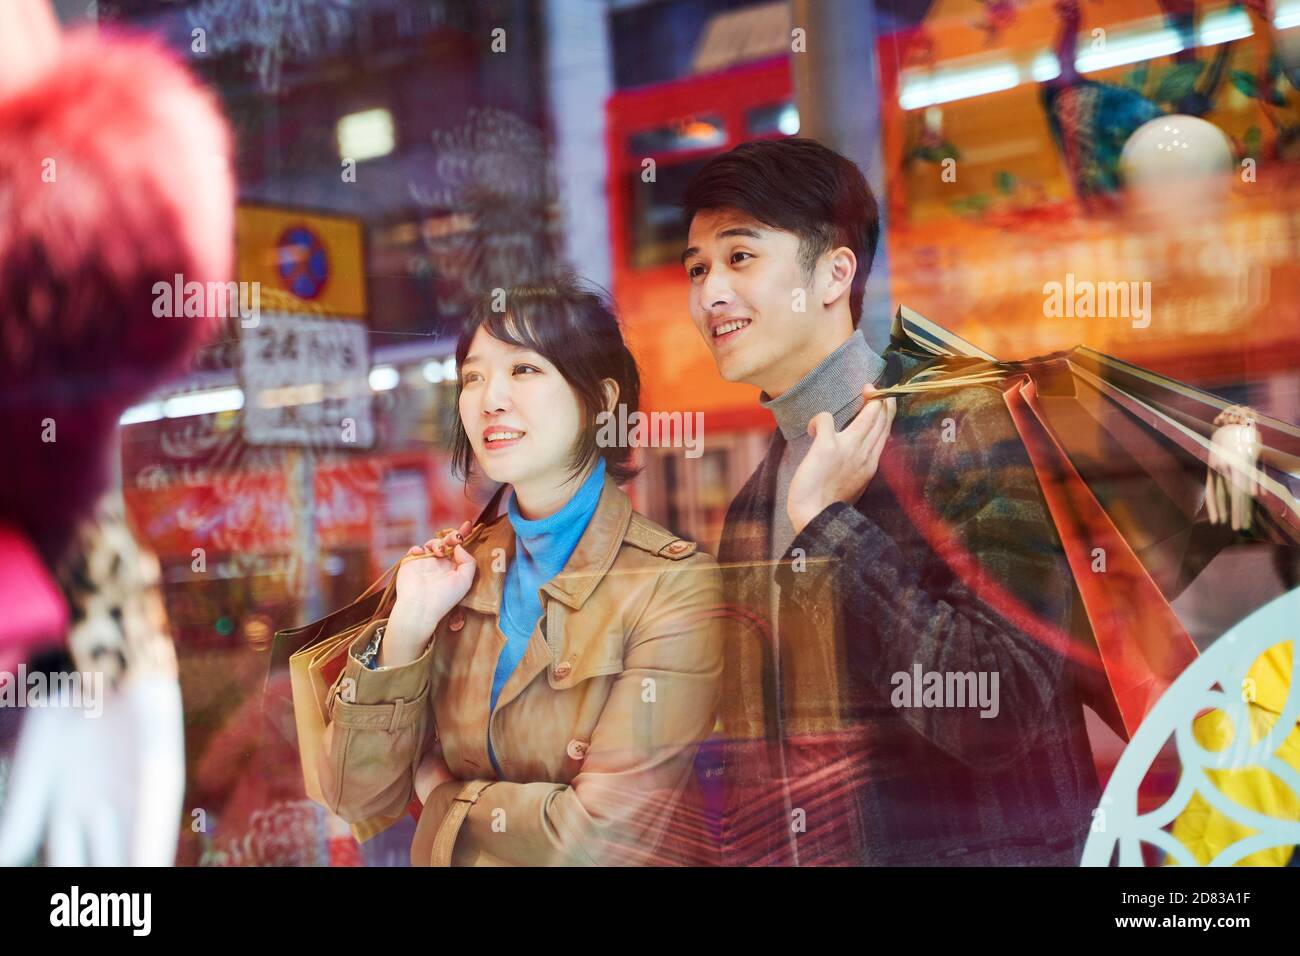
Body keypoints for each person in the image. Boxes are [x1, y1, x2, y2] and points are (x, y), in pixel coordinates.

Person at [680, 138, 1101, 865]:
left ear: (834, 273)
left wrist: (831, 528)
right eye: (697, 268)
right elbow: (765, 763)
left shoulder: (963, 424)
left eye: (740, 257)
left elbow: (996, 711)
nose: (709, 292)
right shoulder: (752, 505)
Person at [318, 277, 724, 866]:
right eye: (474, 376)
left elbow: (596, 843)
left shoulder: (671, 586)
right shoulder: (450, 574)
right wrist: (405, 630)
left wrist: (442, 797)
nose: (490, 399)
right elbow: (353, 794)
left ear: (603, 400)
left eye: (525, 370)